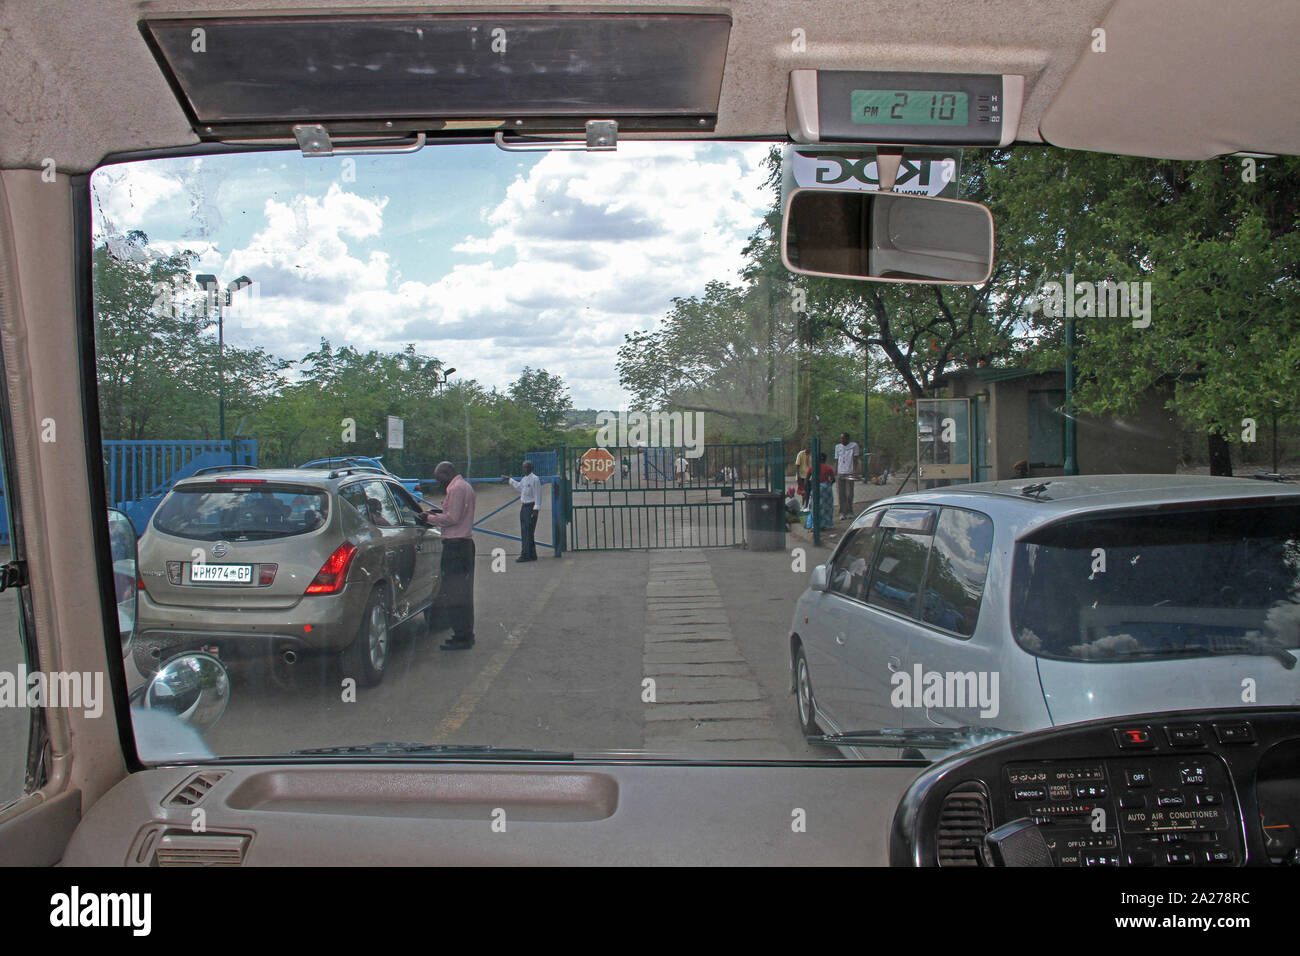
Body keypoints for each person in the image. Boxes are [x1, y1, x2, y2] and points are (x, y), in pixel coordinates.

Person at [422, 461, 476, 650]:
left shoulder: (456, 489)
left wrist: (428, 518)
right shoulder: (464, 486)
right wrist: (437, 513)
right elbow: (455, 513)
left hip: (456, 546)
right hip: (463, 545)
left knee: (454, 592)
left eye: (440, 479)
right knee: (463, 591)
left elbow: (452, 518)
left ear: (447, 473)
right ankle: (465, 633)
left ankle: (462, 636)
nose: (439, 484)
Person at [502, 460, 541, 562]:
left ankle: (525, 555)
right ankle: (532, 554)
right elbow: (519, 487)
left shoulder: (535, 479)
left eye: (527, 467)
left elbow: (538, 495)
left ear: (531, 468)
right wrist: (510, 480)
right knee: (526, 531)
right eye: (524, 467)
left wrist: (536, 509)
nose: (525, 469)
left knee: (527, 532)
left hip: (531, 507)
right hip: (524, 507)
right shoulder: (524, 479)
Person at [833, 431, 861, 518]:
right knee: (841, 494)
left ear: (847, 438)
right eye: (841, 438)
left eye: (844, 438)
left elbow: (855, 458)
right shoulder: (838, 447)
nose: (842, 440)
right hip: (840, 472)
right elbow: (837, 460)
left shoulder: (854, 446)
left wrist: (855, 470)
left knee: (849, 493)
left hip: (850, 471)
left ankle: (849, 511)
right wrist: (835, 470)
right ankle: (842, 512)